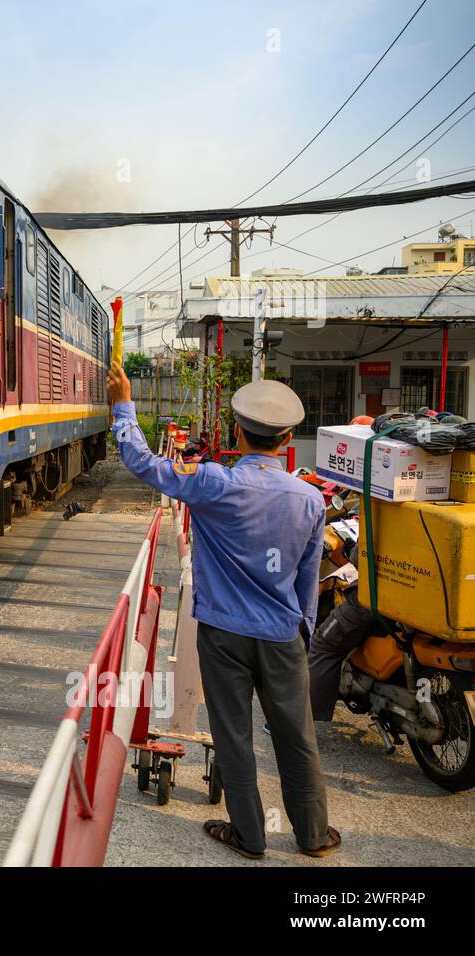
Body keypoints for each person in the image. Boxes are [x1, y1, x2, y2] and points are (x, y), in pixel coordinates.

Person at [106, 363, 339, 859]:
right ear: (289, 437)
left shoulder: (212, 483)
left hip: (222, 633)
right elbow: (307, 581)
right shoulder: (310, 500)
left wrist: (124, 404)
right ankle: (314, 835)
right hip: (282, 635)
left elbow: (143, 463)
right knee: (297, 738)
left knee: (234, 735)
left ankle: (249, 836)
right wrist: (302, 637)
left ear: (238, 432)